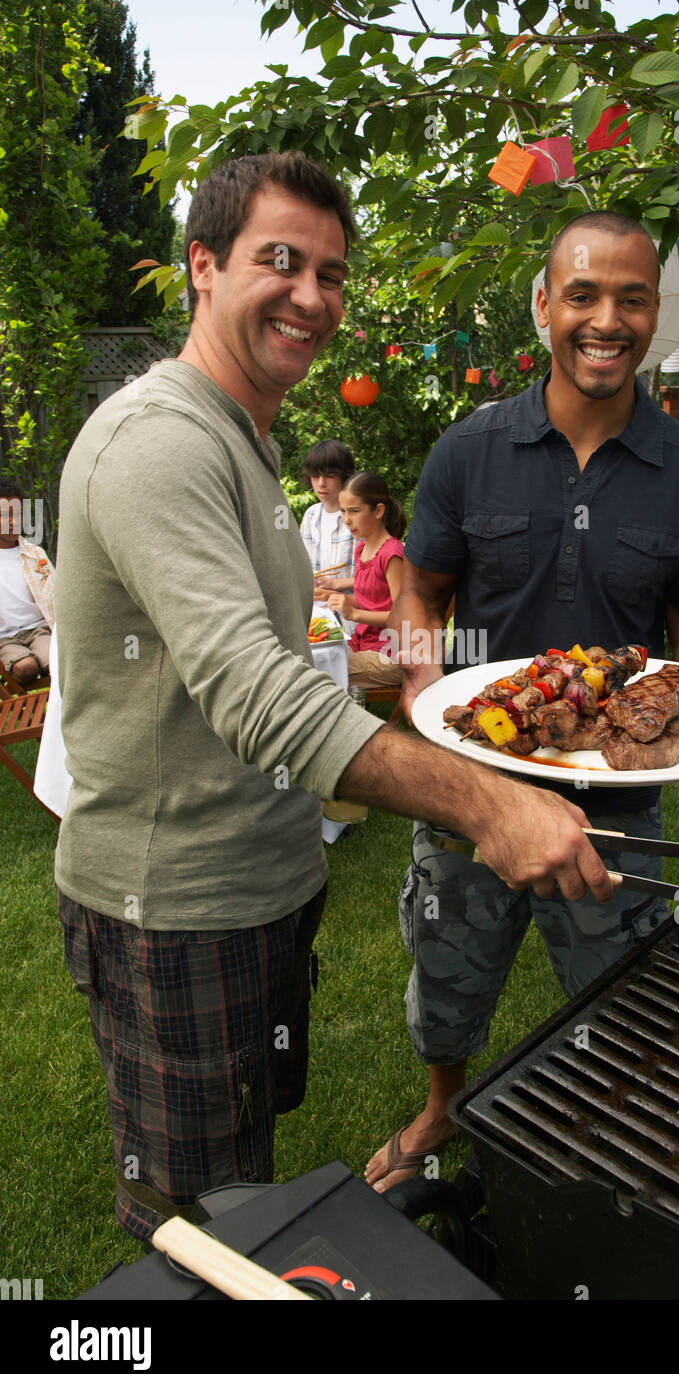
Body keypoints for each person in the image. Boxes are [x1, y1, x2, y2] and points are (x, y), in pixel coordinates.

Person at [54, 151, 612, 1242]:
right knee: (196, 1229)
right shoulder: (157, 443)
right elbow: (259, 697)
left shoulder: (242, 440)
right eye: (281, 260)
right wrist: (490, 802)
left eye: (332, 272)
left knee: (243, 1179)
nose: (314, 295)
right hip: (177, 915)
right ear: (201, 266)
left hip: (253, 894)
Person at [364, 210, 679, 1192]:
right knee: (448, 968)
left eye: (633, 297)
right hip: (471, 779)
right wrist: (423, 672)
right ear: (545, 305)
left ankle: (617, 1121)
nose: (608, 317)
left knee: (617, 981)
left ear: (658, 317)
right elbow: (421, 585)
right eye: (584, 294)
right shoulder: (468, 452)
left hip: (614, 791)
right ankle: (440, 1105)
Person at [328, 470, 405, 688]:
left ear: (379, 510)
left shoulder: (392, 554)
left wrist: (353, 613)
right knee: (313, 650)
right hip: (363, 643)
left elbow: (402, 617)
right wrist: (333, 597)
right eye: (342, 511)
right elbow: (372, 601)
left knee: (320, 669)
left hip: (390, 653)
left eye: (354, 511)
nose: (346, 519)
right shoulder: (361, 548)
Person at [0, 477, 54, 688]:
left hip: (38, 629)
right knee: (26, 668)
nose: (12, 522)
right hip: (5, 638)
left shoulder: (34, 554)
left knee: (56, 663)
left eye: (18, 514)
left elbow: (55, 595)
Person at [298, 439, 356, 602]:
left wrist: (334, 584)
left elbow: (372, 579)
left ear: (343, 477)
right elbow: (303, 567)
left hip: (351, 613)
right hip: (316, 611)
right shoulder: (311, 515)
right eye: (315, 476)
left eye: (329, 476)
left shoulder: (357, 517)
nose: (321, 484)